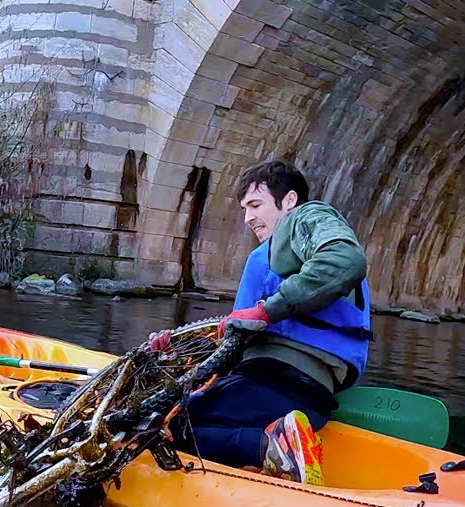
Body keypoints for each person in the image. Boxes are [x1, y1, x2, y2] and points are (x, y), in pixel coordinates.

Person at [154, 161, 371, 485]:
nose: (248, 218)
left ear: (289, 201)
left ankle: (268, 447)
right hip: (311, 401)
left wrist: (268, 312)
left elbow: (346, 260)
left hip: (276, 384)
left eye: (256, 205)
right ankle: (267, 448)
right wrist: (183, 350)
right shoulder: (267, 256)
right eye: (244, 208)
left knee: (157, 425)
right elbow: (234, 342)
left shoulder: (306, 219)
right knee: (180, 417)